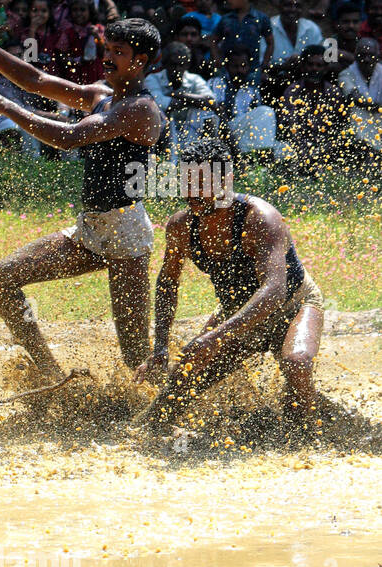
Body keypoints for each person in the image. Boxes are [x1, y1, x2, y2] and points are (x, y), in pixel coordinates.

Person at [0, 1, 164, 380]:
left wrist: (4, 107)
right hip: (90, 229)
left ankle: (177, 405)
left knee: (136, 357)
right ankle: (50, 374)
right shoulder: (101, 95)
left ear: (140, 61)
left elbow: (68, 138)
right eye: (107, 50)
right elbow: (37, 82)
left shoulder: (140, 109)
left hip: (126, 234)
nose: (107, 59)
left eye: (118, 54)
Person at [135, 137, 325, 431]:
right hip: (238, 311)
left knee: (297, 363)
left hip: (293, 304)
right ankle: (144, 429)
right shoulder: (181, 226)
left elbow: (274, 290)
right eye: (186, 183)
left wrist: (215, 336)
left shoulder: (260, 217)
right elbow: (167, 283)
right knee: (182, 378)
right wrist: (159, 347)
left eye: (202, 184)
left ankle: (312, 436)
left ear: (227, 180)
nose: (193, 194)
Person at [145, 41, 219, 155]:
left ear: (187, 65)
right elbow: (163, 105)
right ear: (164, 64)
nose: (177, 69)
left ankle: (207, 156)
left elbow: (211, 101)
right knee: (164, 115)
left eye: (181, 64)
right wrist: (193, 101)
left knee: (206, 114)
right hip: (163, 133)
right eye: (173, 64)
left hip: (190, 130)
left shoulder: (194, 79)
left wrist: (178, 95)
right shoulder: (152, 79)